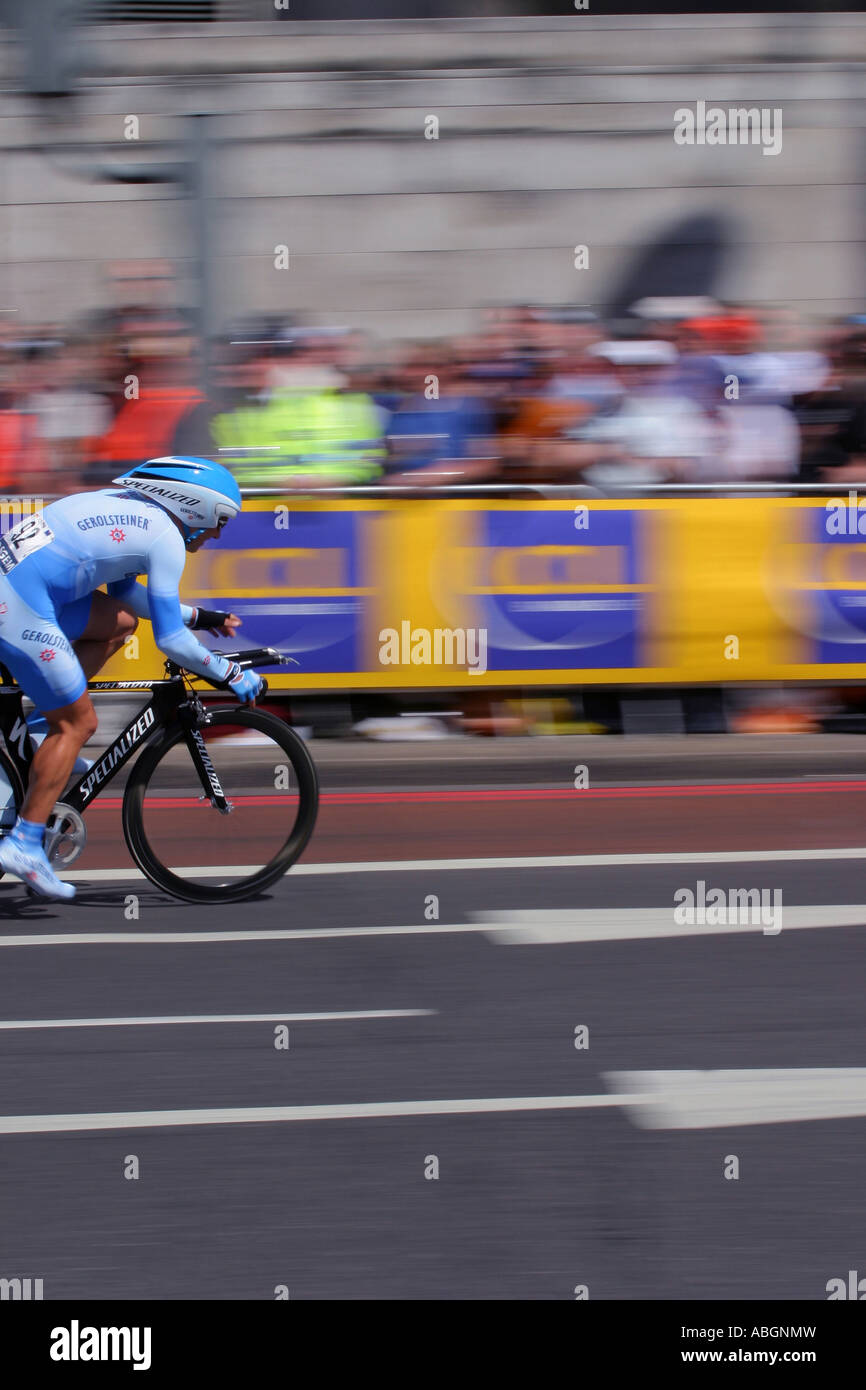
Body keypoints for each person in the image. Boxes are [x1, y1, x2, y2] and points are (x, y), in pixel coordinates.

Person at [0, 456, 263, 902]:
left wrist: (202, 616)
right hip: (21, 608)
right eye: (219, 521)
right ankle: (24, 844)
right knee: (79, 724)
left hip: (25, 592)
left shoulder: (126, 505)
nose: (217, 533)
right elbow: (172, 642)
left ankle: (44, 735)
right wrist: (230, 672)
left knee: (120, 622)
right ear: (193, 505)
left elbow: (127, 597)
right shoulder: (166, 539)